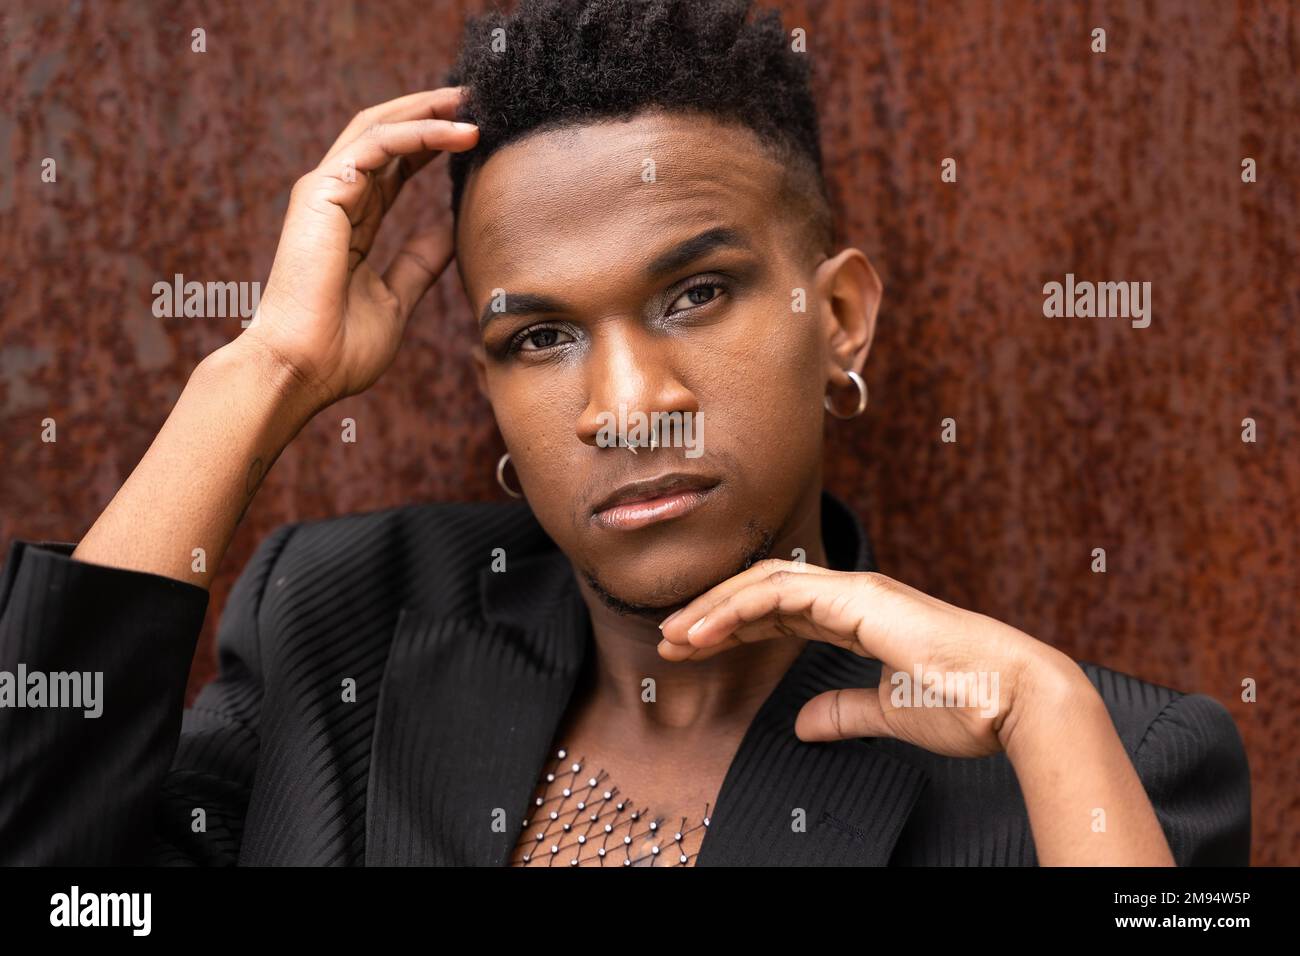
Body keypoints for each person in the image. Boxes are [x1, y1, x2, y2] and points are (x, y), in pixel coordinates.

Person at [0, 0, 1249, 867]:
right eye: (536, 335)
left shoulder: (1093, 755)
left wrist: (1041, 707)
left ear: (843, 318)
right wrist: (257, 376)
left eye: (694, 293)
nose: (624, 403)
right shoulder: (346, 625)